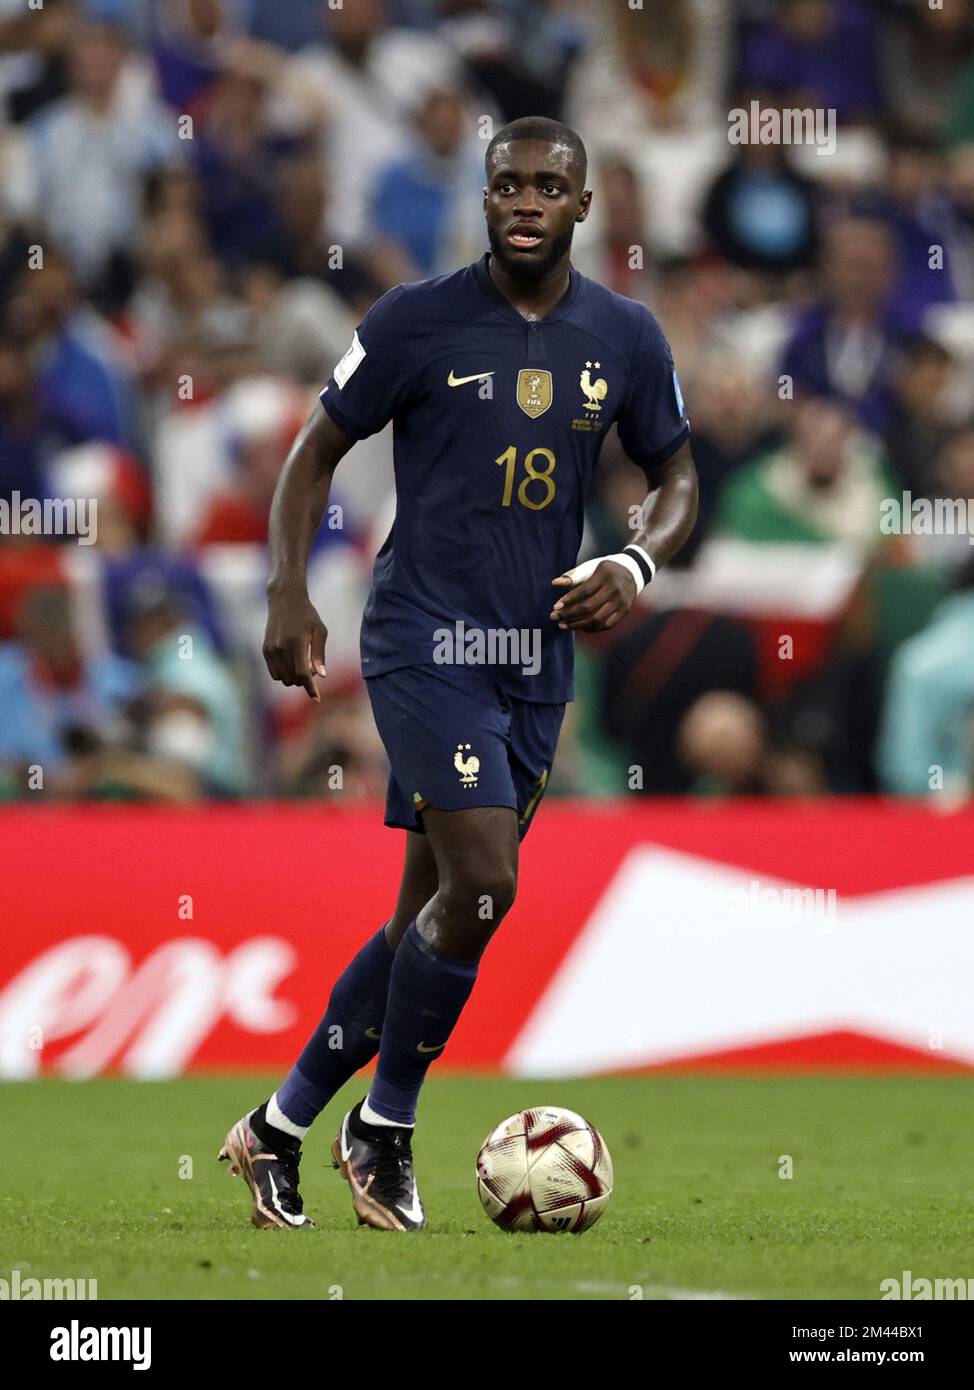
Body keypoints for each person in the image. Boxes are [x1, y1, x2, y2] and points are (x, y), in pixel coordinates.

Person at [220, 116, 697, 1231]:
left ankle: (275, 1130)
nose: (526, 201)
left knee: (426, 920)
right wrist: (288, 590)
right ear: (483, 199)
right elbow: (314, 452)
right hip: (424, 637)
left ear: (582, 207)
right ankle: (383, 1130)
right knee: (485, 882)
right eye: (508, 184)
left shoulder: (624, 335)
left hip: (535, 652)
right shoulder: (413, 319)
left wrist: (633, 560)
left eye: (548, 187)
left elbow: (675, 475)